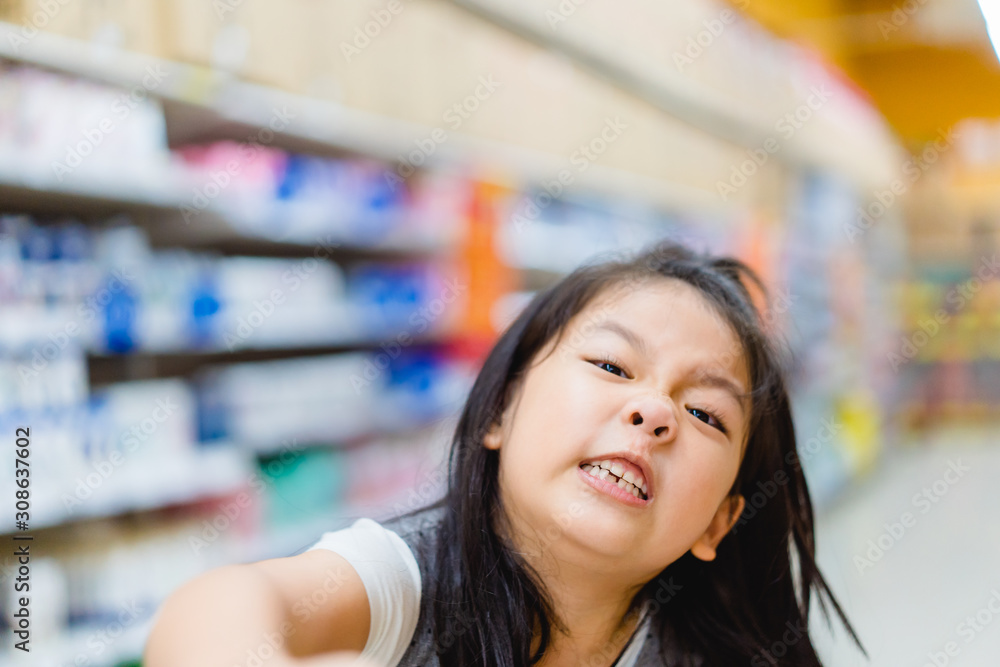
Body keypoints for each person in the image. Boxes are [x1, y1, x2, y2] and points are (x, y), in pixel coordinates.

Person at [144, 240, 865, 666]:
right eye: (612, 366)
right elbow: (219, 608)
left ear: (720, 521)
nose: (654, 412)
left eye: (705, 412)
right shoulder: (414, 582)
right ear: (499, 409)